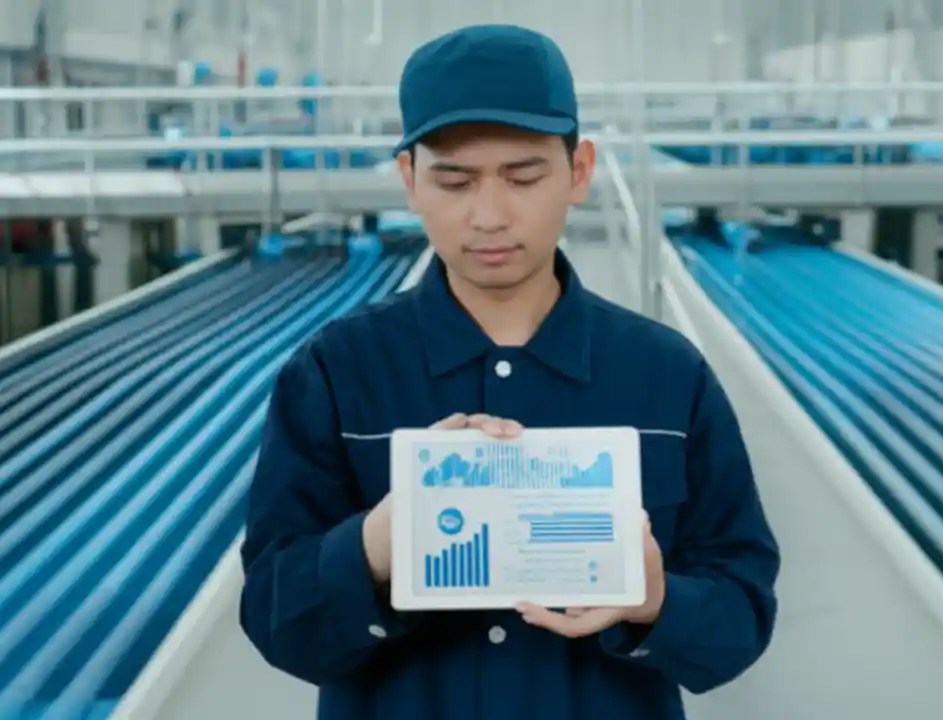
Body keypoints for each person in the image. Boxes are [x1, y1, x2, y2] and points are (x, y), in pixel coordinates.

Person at [238, 23, 780, 720]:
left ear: (578, 171)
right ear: (408, 179)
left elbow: (742, 618)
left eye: (523, 177)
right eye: (454, 181)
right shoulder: (338, 374)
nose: (490, 216)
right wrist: (375, 546)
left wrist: (655, 601)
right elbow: (275, 621)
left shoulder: (667, 377)